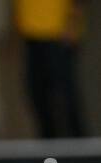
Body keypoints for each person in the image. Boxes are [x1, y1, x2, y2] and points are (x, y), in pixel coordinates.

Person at [14, 0, 85, 139]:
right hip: (30, 32)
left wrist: (72, 22)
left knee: (64, 94)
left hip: (57, 31)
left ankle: (81, 146)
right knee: (36, 92)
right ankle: (49, 143)